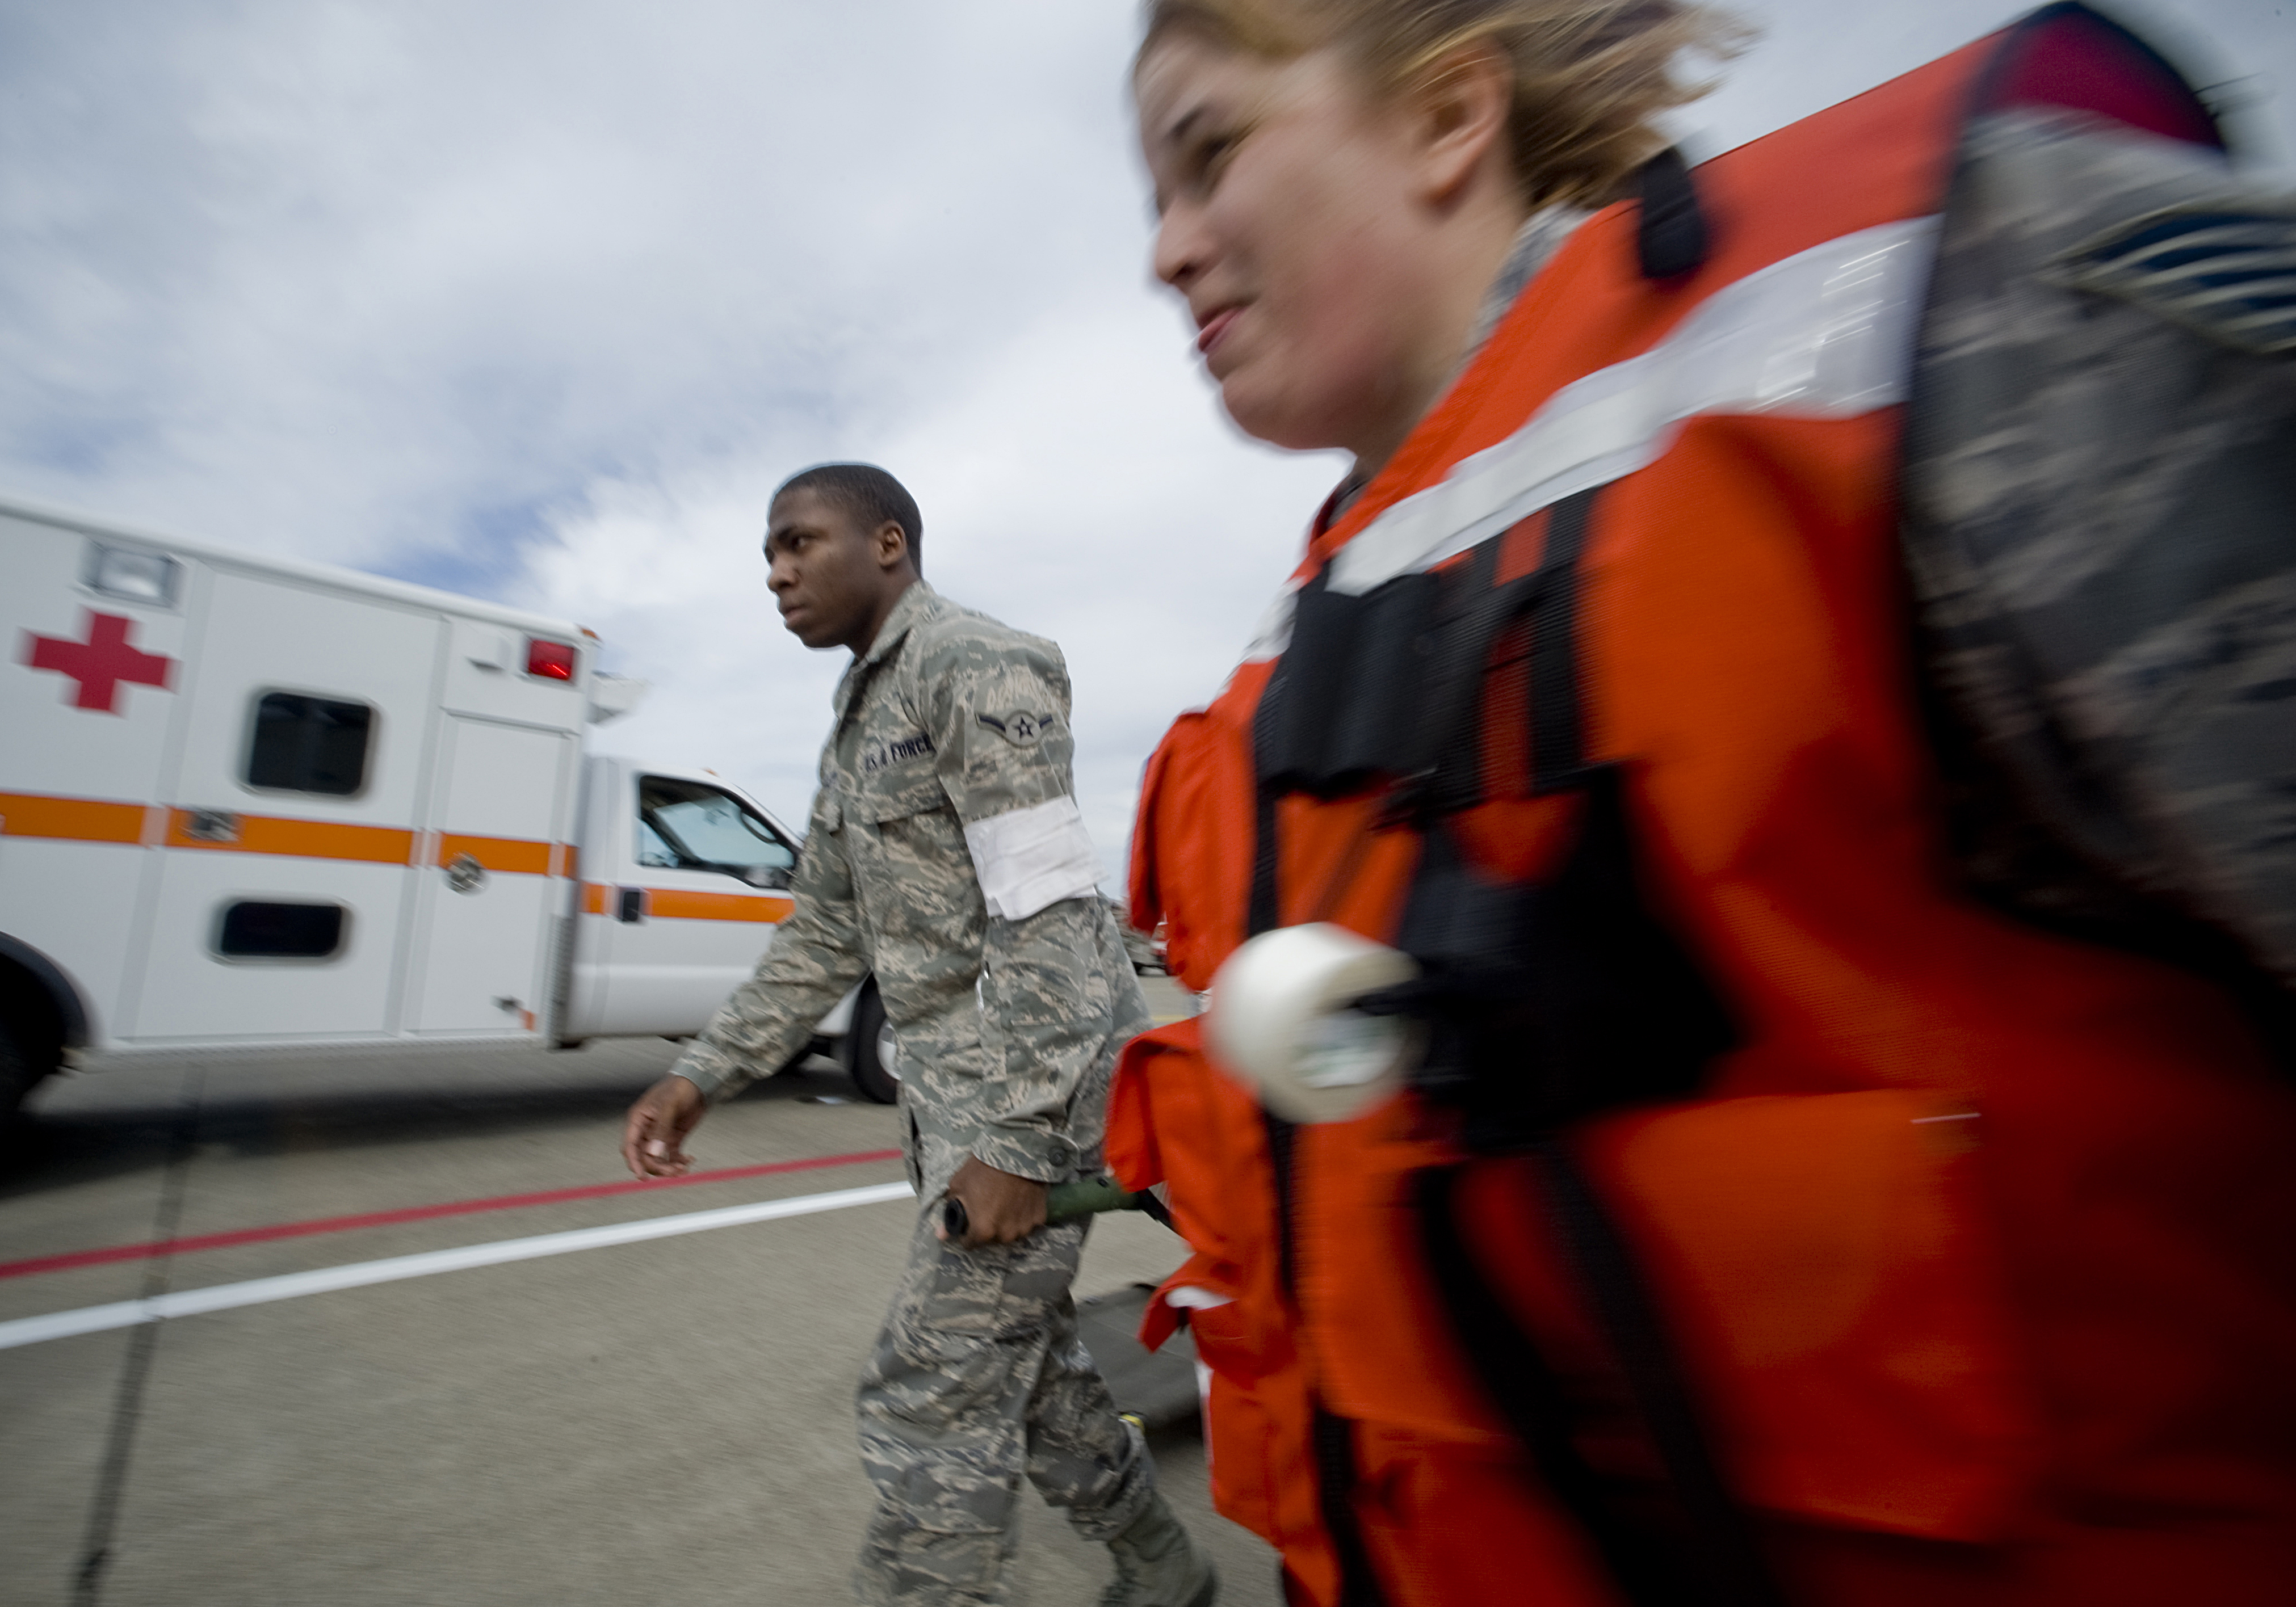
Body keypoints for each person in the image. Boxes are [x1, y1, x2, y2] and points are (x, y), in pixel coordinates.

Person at [1112, 3, 2296, 1605]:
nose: (1166, 251)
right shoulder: (1286, 671)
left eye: (1210, 154)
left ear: (1450, 118)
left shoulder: (1968, 301)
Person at [620, 462, 1217, 1607]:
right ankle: (1162, 1563)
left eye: (798, 544)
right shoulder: (854, 727)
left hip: (1032, 1101)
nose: (777, 573)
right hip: (958, 1107)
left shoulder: (973, 664)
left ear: (887, 543)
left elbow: (1043, 910)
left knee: (930, 1390)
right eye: (767, 556)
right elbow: (821, 937)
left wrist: (1018, 1143)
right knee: (1029, 1375)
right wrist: (702, 1075)